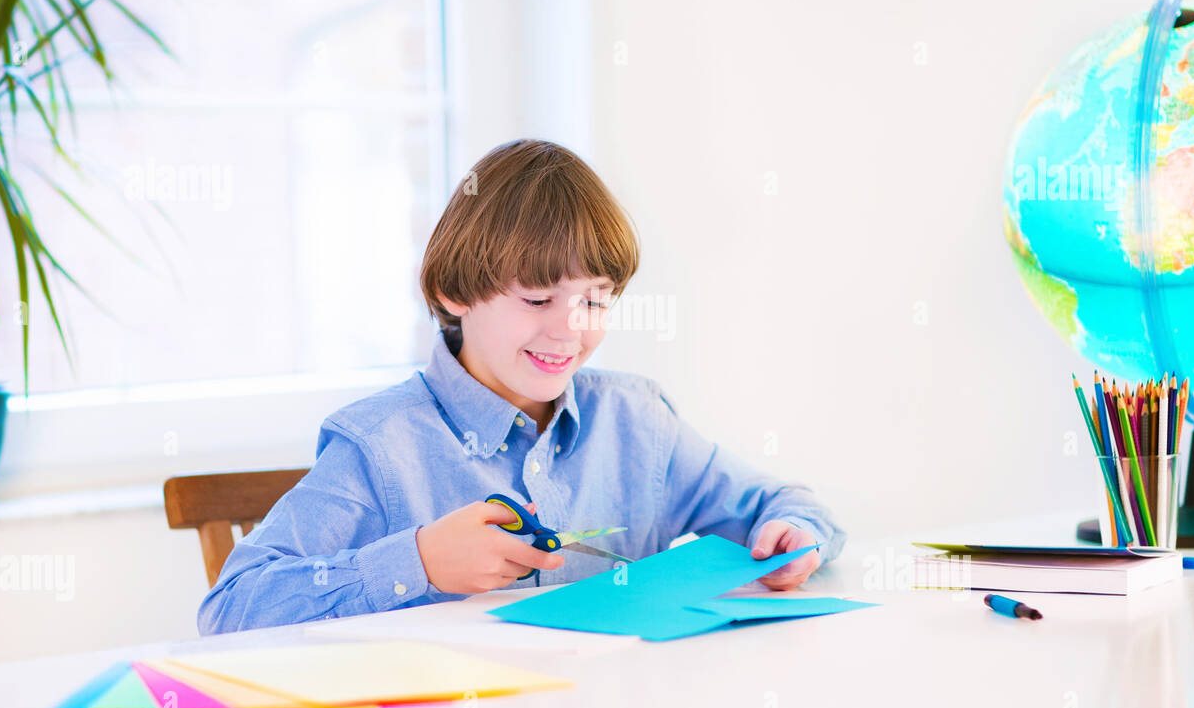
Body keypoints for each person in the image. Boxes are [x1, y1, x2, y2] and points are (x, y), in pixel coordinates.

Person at [198, 138, 843, 634]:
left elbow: (788, 508)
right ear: (454, 293)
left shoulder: (636, 422)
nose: (571, 328)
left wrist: (791, 532)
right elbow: (229, 608)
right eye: (538, 297)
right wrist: (417, 562)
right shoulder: (379, 447)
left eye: (596, 300)